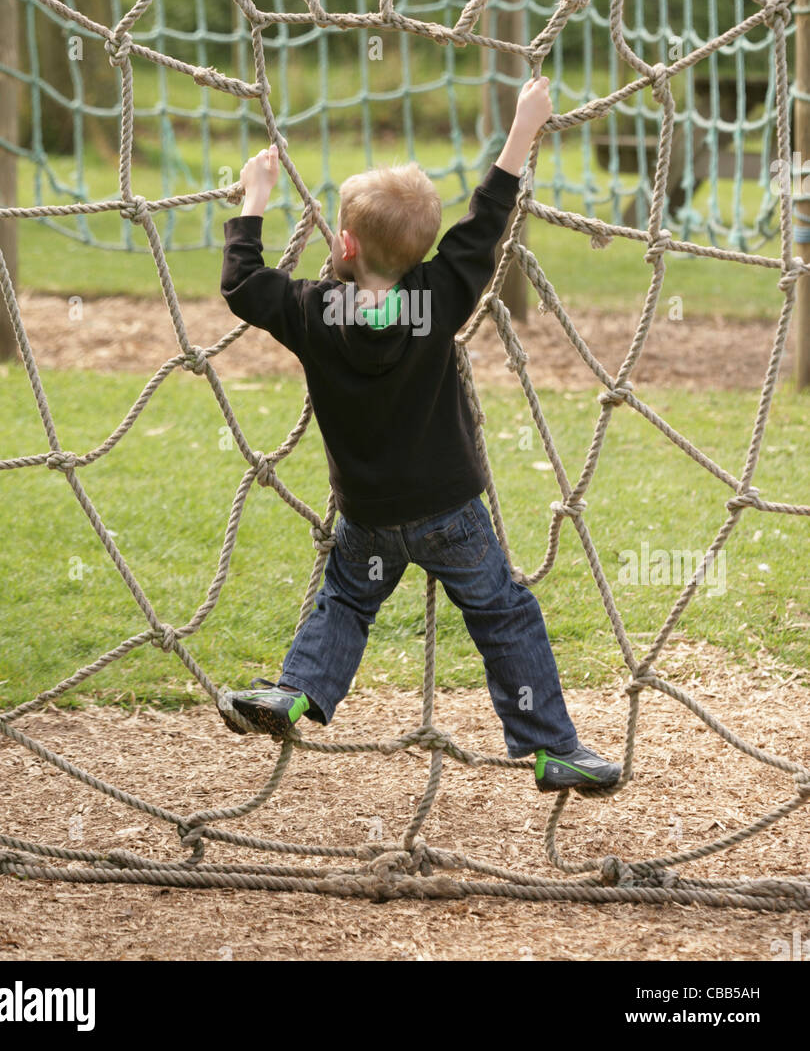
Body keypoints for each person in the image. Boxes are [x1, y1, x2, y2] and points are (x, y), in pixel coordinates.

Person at [217, 78, 620, 792]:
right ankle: (552, 746)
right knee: (503, 614)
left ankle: (296, 690)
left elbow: (243, 283)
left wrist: (254, 198)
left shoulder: (313, 310)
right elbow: (488, 216)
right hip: (450, 514)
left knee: (345, 600)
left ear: (342, 244)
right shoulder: (440, 295)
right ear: (423, 251)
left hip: (369, 519)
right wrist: (525, 124)